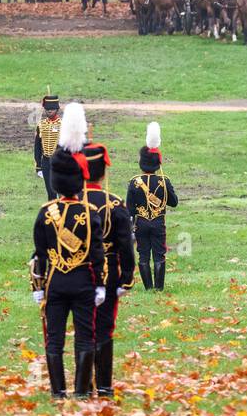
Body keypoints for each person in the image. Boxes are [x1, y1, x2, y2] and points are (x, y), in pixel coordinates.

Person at [31, 148, 105, 399]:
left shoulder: (46, 212)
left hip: (55, 282)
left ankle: (58, 392)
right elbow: (97, 252)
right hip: (84, 281)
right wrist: (101, 285)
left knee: (54, 340)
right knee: (85, 338)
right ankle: (82, 391)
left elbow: (39, 254)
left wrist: (38, 288)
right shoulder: (89, 212)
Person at [80, 139, 135, 398]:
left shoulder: (70, 201)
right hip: (110, 272)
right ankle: (103, 385)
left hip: (78, 272)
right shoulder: (114, 203)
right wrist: (127, 279)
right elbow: (126, 244)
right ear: (103, 171)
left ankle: (83, 385)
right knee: (104, 328)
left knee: (83, 328)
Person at [127, 123, 178, 292]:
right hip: (158, 223)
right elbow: (174, 202)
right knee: (159, 255)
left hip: (140, 223)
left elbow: (129, 209)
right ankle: (159, 288)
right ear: (157, 163)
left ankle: (148, 288)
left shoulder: (134, 182)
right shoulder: (164, 180)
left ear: (142, 163)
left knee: (143, 255)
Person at [34, 93, 62, 199]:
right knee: (51, 193)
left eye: (52, 108)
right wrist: (38, 165)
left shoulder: (63, 125)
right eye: (47, 108)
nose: (49, 110)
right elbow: (37, 146)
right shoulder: (41, 125)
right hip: (46, 162)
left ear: (57, 109)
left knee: (62, 191)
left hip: (60, 162)